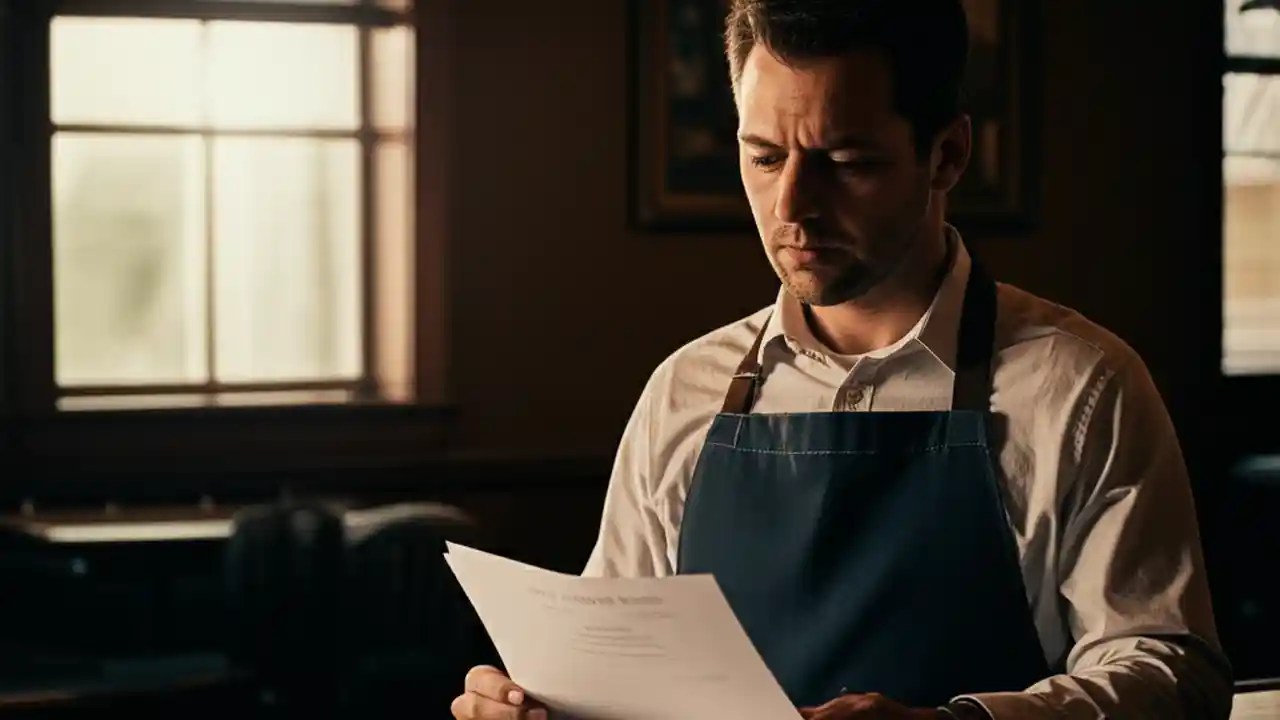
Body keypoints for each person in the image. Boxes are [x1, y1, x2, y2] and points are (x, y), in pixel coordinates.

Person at [450, 0, 1234, 718]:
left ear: (948, 154)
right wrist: (536, 703)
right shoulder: (684, 390)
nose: (793, 205)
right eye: (764, 158)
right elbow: (611, 674)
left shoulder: (1082, 388)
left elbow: (1172, 671)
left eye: (847, 161)